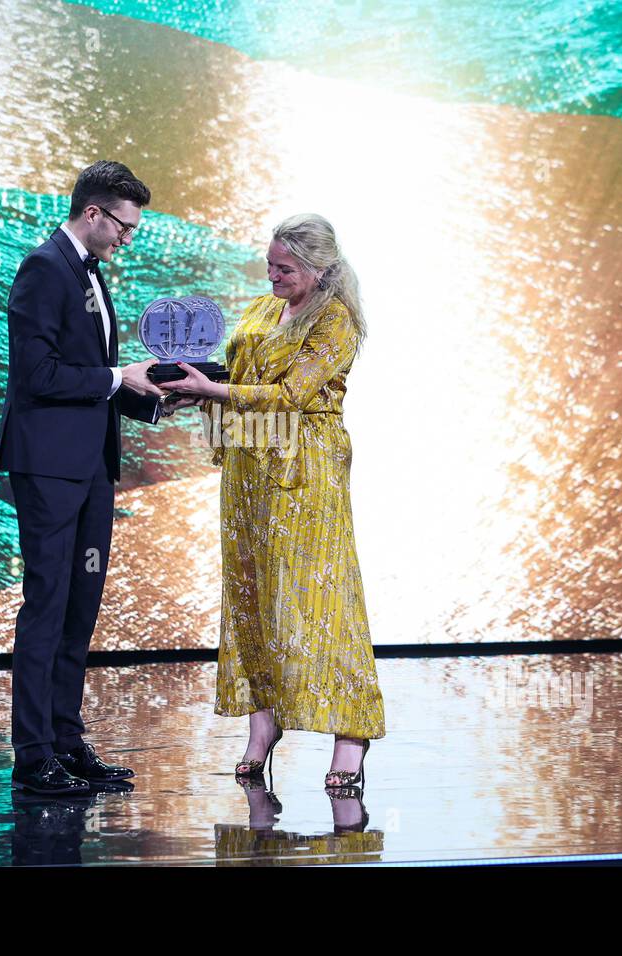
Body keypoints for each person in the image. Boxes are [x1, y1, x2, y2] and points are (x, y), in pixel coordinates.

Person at [162, 213, 386, 790]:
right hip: (248, 470)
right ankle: (262, 725)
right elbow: (234, 375)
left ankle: (350, 734)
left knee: (318, 597)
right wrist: (191, 387)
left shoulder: (336, 319)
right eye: (269, 265)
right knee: (252, 593)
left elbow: (292, 394)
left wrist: (212, 390)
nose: (273, 277)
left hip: (305, 472)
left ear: (319, 268)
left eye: (285, 269)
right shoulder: (264, 310)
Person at [0, 159, 171, 795]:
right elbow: (36, 376)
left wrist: (148, 395)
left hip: (91, 468)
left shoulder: (89, 273)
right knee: (46, 606)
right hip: (48, 469)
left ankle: (67, 742)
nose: (128, 238)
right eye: (124, 227)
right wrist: (114, 378)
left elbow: (93, 374)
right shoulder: (45, 268)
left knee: (80, 607)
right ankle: (33, 754)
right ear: (92, 214)